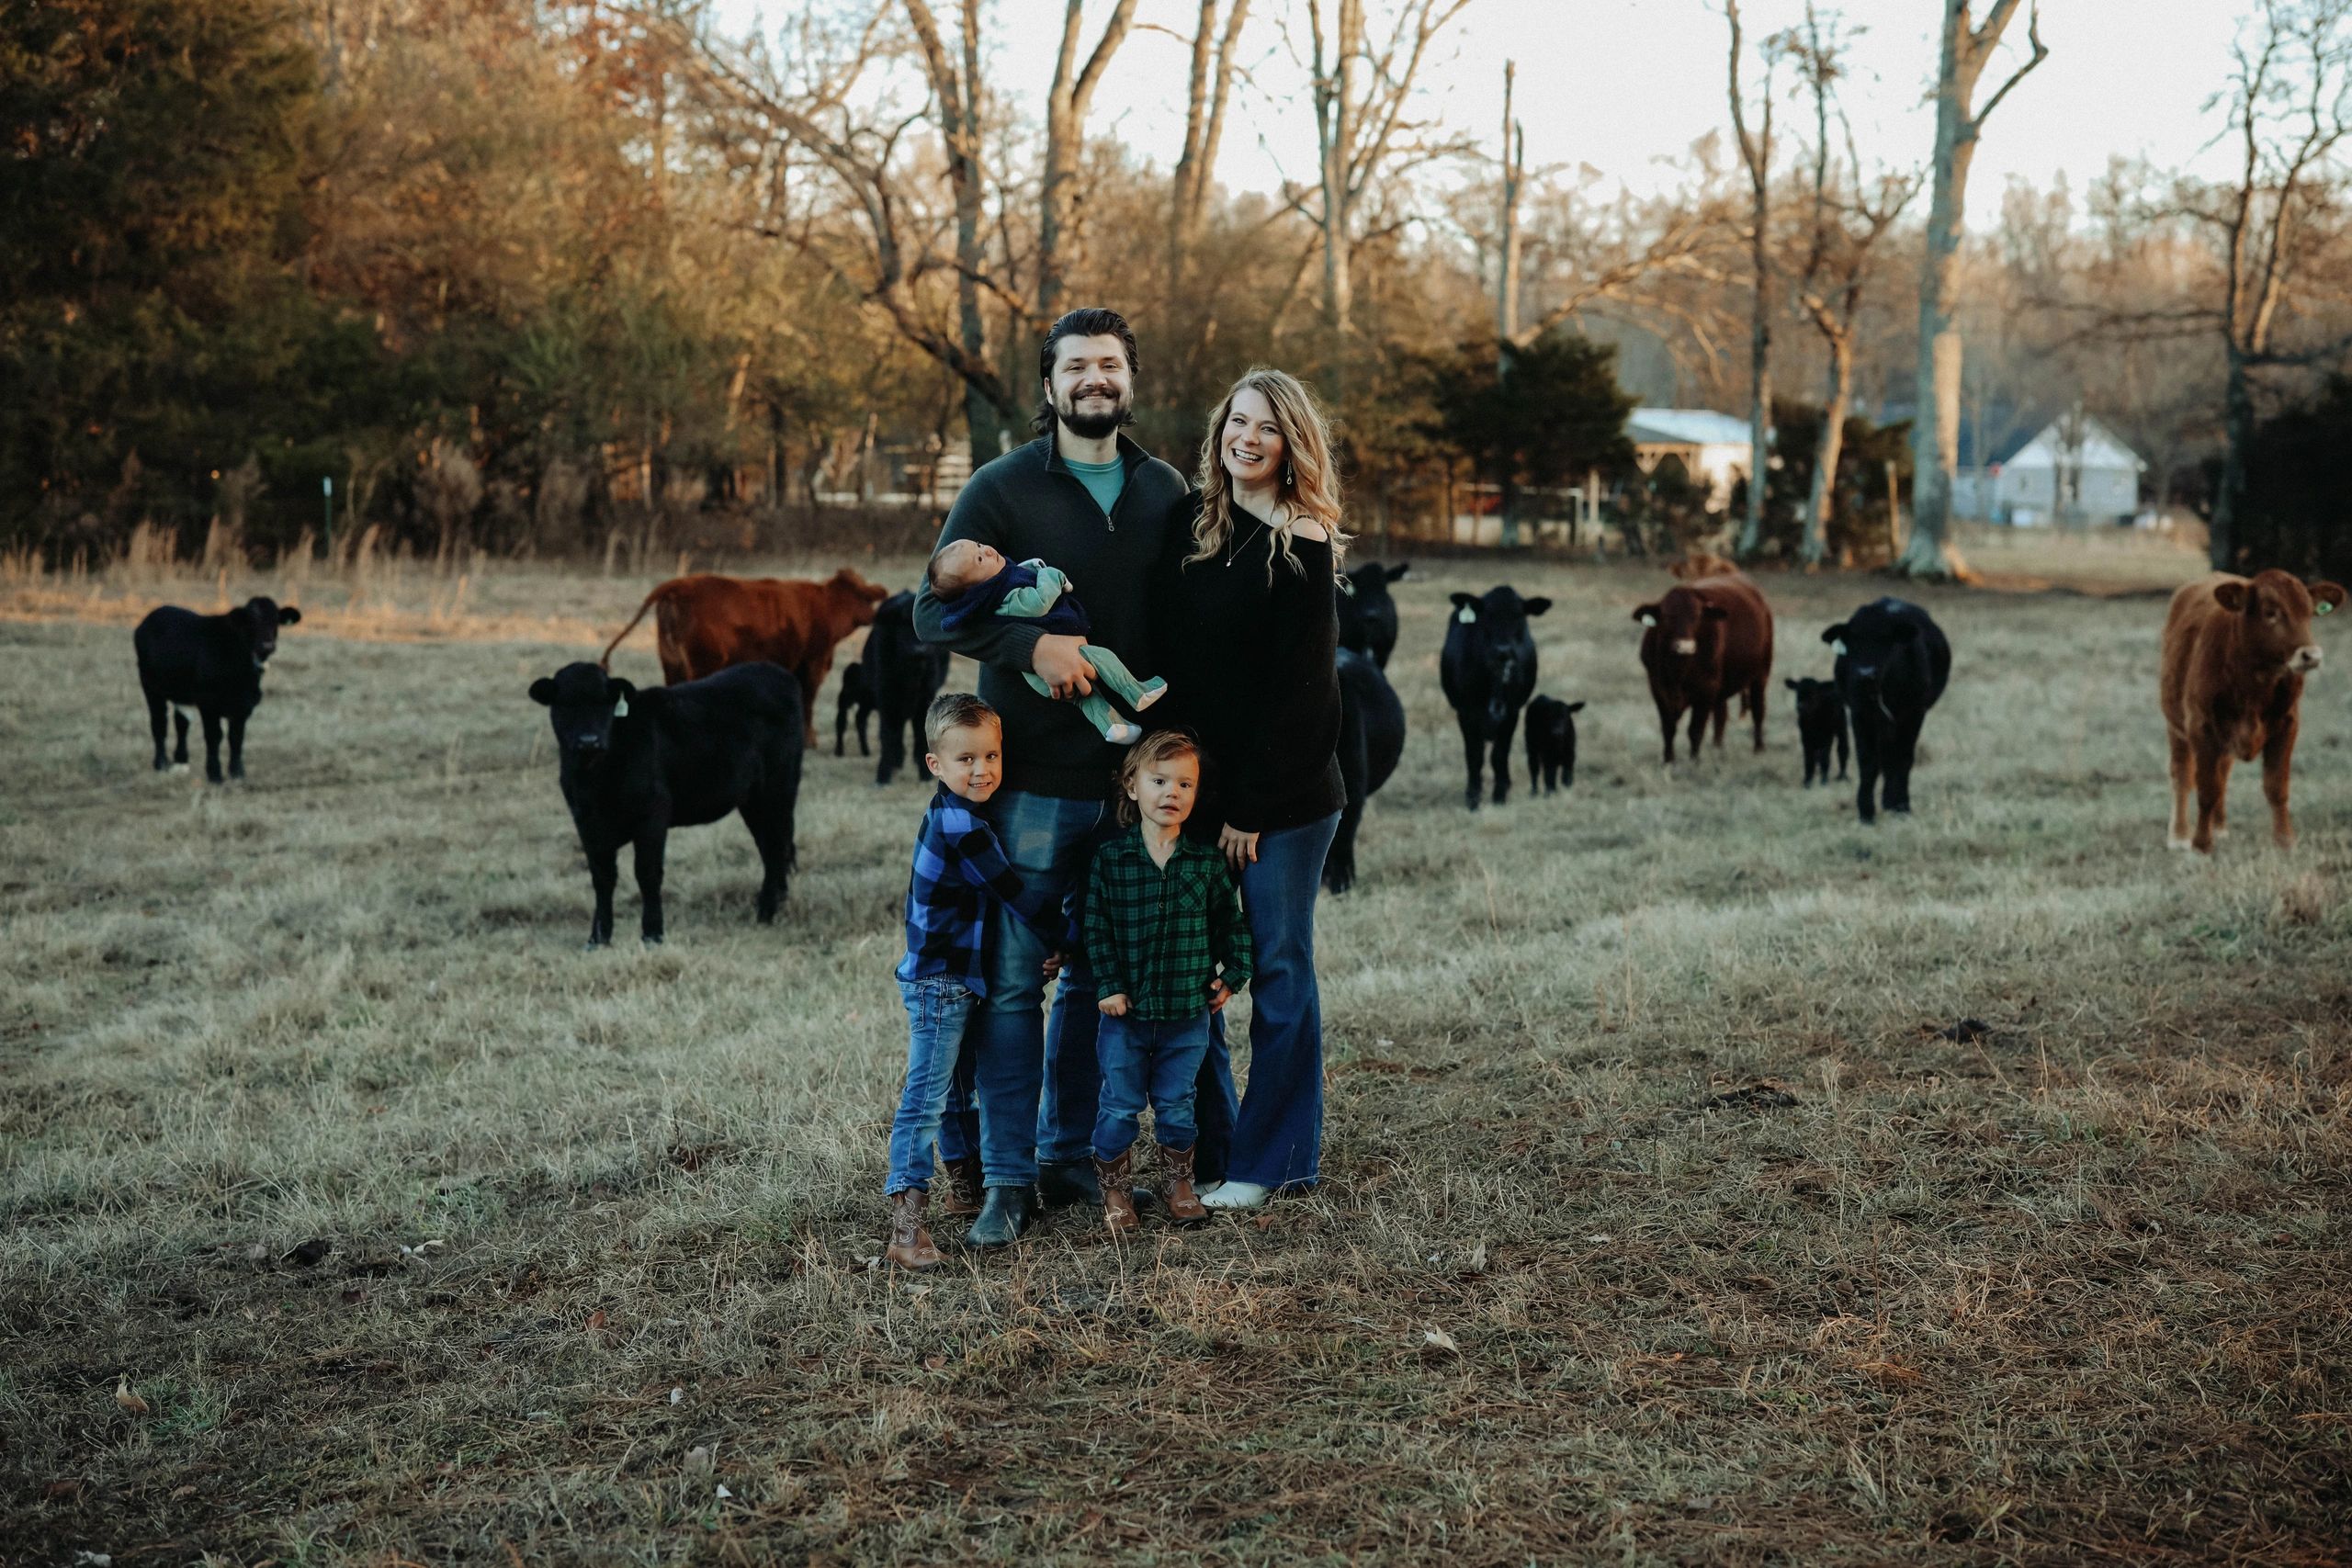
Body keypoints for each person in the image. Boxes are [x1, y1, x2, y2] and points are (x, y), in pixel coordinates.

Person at [912, 307, 1194, 1247]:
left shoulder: (1165, 490)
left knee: (1093, 983)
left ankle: (1069, 1154)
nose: (1094, 380)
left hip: (1128, 785)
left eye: (1110, 364)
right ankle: (1004, 1179)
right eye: (1076, 366)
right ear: (1049, 385)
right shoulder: (999, 487)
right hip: (1029, 779)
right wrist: (1029, 645)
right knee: (1011, 982)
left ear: (1129, 378)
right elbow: (927, 612)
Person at [1156, 367, 1350, 1211]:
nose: (1248, 438)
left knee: (1277, 966)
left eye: (1267, 428)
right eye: (1238, 421)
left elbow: (1305, 699)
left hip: (1286, 801)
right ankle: (1222, 1145)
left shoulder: (1300, 537)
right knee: (1196, 971)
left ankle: (1276, 1162)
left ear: (1292, 442)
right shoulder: (1198, 526)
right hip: (1207, 792)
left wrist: (1249, 809)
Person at [883, 694, 1070, 1269]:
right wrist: (1067, 939)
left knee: (959, 1091)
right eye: (965, 759)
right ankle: (906, 1230)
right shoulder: (963, 824)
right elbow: (1015, 894)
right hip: (941, 984)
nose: (982, 770)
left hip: (956, 977)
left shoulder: (962, 810)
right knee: (926, 1100)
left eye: (991, 755)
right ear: (935, 764)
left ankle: (966, 1190)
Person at [1083, 730, 1252, 1233]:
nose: (1171, 793)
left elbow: (1230, 924)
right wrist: (1108, 985)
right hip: (1126, 1016)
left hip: (1186, 1013)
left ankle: (1179, 1184)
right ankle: (1114, 1190)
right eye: (1159, 780)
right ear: (1132, 787)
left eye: (1185, 784)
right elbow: (1097, 928)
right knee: (1119, 1103)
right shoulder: (1113, 861)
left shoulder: (1203, 862)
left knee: (1179, 1102)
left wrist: (1233, 975)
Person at [927, 538, 1168, 745]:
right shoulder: (1005, 600)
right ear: (976, 589)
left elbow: (1020, 572)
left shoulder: (999, 582)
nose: (988, 550)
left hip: (1054, 667)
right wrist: (1051, 574)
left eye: (979, 546)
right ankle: (1136, 692)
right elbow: (1039, 602)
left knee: (1087, 699)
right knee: (1103, 659)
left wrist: (1032, 566)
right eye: (979, 560)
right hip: (1052, 668)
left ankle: (1113, 727)